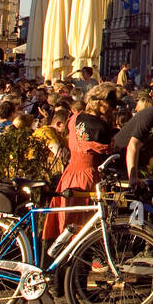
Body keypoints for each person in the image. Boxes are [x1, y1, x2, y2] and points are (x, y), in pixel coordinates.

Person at [43, 89, 117, 241]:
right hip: (89, 176)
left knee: (68, 218)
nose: (112, 108)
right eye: (110, 104)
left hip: (70, 174)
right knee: (86, 222)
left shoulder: (75, 118)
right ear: (100, 102)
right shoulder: (99, 126)